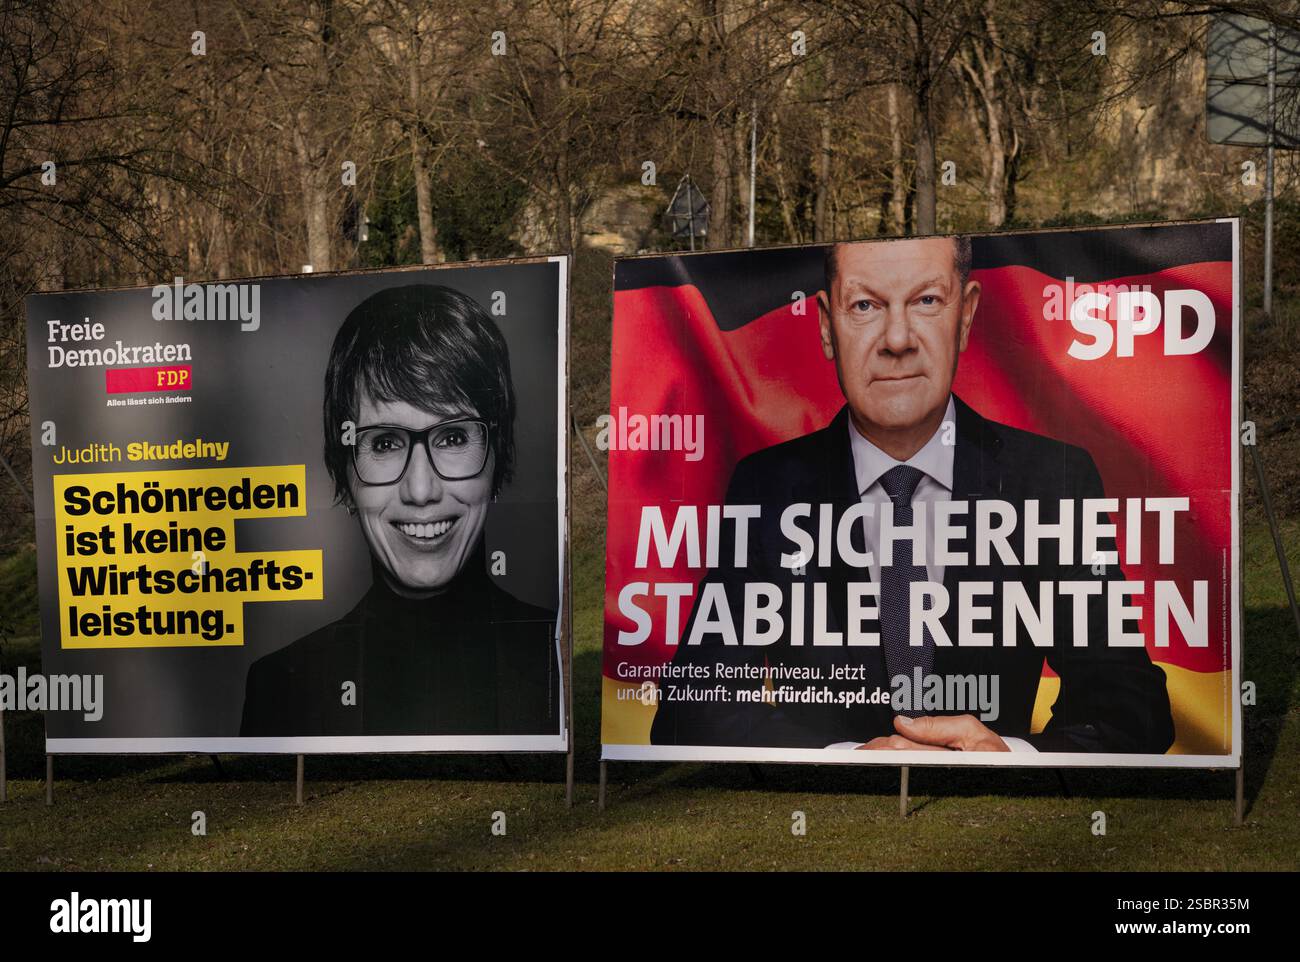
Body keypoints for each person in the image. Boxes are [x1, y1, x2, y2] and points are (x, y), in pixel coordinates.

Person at [649, 236, 1175, 754]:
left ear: (965, 317)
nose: (896, 339)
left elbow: (1132, 708)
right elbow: (692, 711)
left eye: (926, 301)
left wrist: (1008, 758)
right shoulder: (768, 488)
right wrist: (848, 759)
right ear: (827, 327)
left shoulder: (1051, 478)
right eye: (864, 305)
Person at [241, 285, 561, 737]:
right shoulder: (281, 687)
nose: (420, 489)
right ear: (344, 473)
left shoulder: (556, 657)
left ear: (499, 456)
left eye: (452, 438)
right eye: (385, 443)